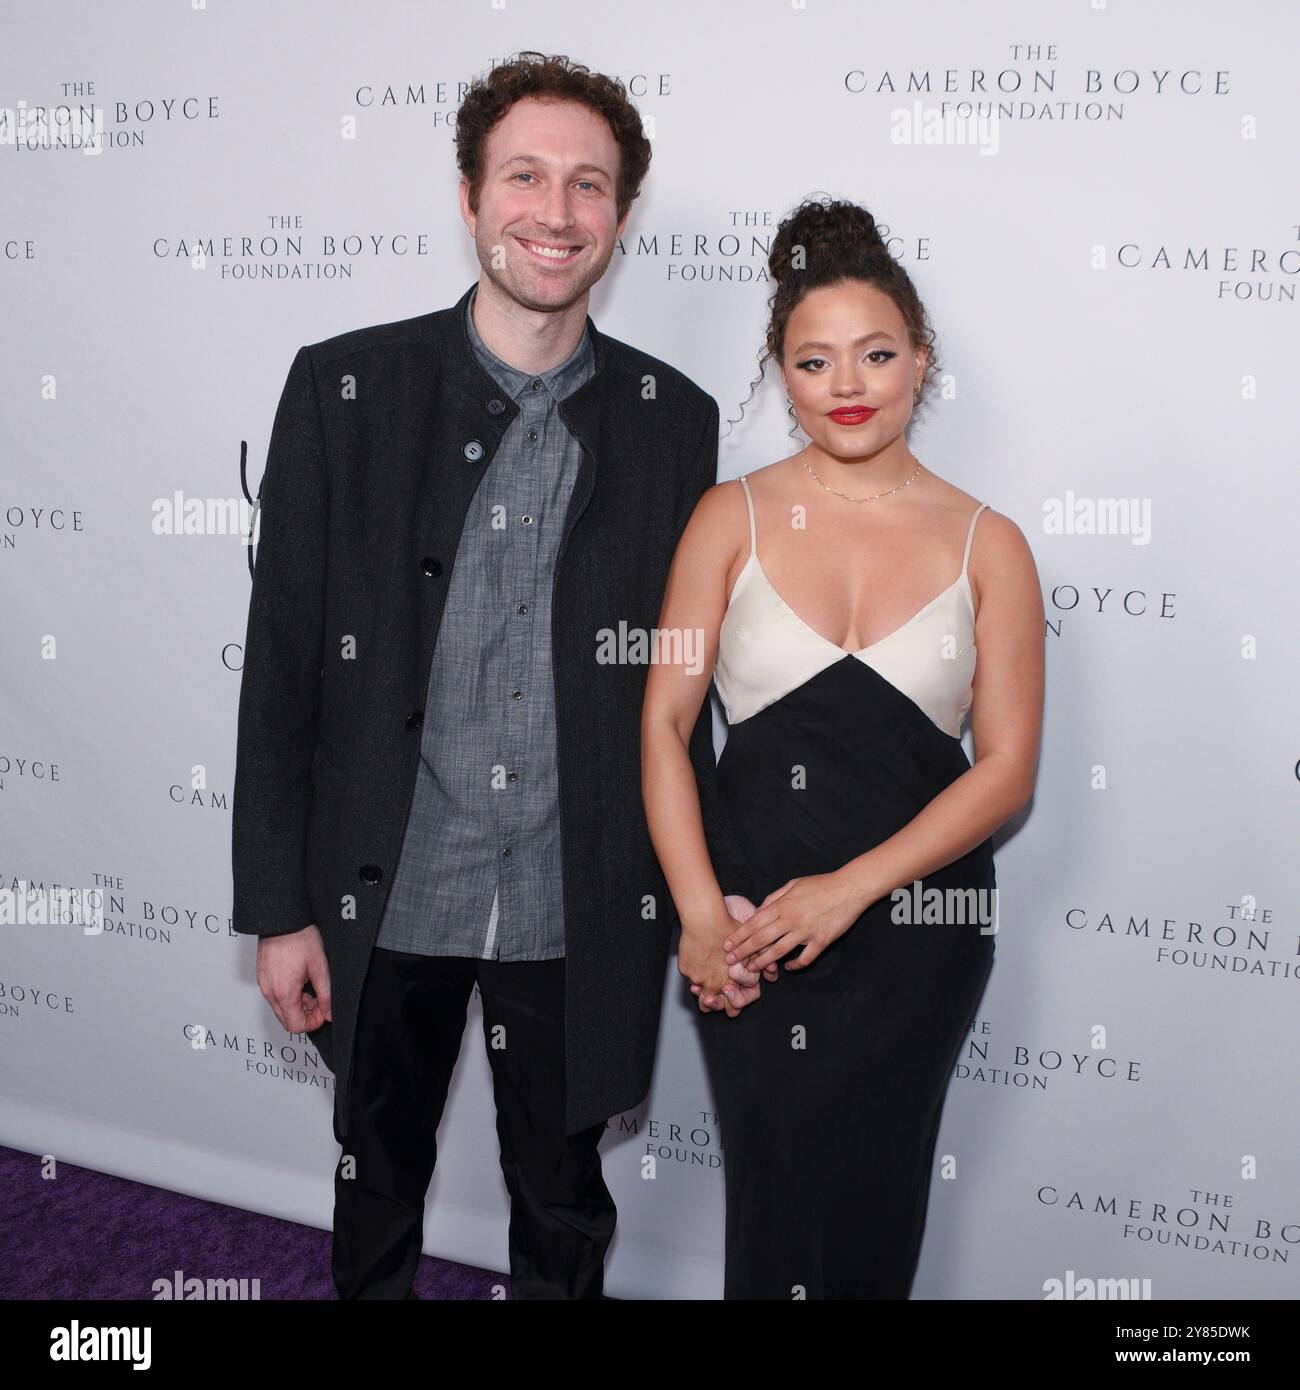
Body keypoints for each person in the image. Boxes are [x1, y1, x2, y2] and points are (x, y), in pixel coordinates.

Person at [231, 51, 759, 1300]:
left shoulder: (672, 419)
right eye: (523, 176)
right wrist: (277, 903)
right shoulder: (343, 389)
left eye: (588, 185)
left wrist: (701, 893)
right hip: (389, 878)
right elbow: (284, 663)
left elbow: (680, 693)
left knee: (564, 1205)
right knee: (376, 1185)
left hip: (576, 896)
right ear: (469, 198)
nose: (555, 212)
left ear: (620, 217)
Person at [641, 196, 1045, 1298]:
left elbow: (1006, 768)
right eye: (814, 361)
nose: (849, 383)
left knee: (876, 1202)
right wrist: (694, 912)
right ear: (782, 374)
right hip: (749, 923)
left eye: (875, 353)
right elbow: (664, 723)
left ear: (921, 358)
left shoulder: (989, 543)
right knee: (773, 1207)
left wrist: (848, 893)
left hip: (918, 926)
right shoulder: (727, 518)